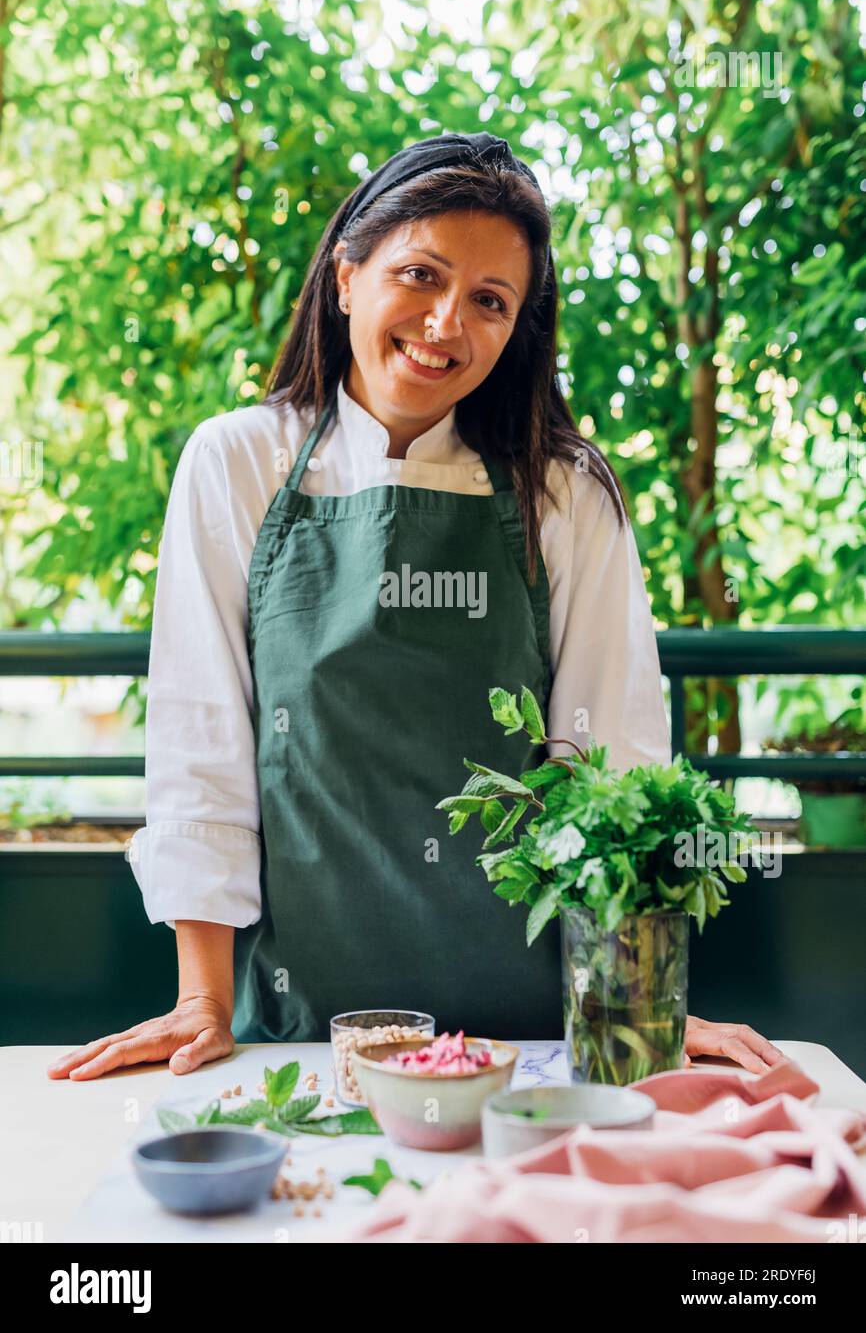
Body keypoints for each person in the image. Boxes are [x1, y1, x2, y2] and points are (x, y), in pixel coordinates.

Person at [48, 132, 785, 1082]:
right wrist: (203, 1001)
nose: (446, 323)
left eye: (489, 301)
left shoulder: (562, 491)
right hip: (309, 1036)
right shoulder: (237, 463)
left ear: (516, 327)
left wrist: (638, 1003)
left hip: (539, 1041)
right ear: (347, 276)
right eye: (419, 274)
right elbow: (202, 745)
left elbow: (613, 768)